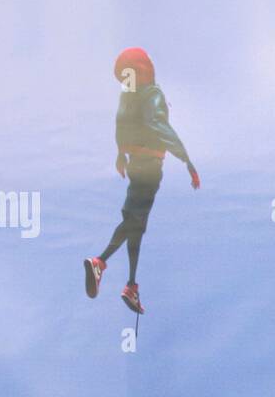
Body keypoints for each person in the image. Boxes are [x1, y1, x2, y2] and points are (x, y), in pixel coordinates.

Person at [83, 47, 200, 315]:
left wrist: (120, 154)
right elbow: (158, 124)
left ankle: (131, 285)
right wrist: (186, 159)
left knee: (136, 224)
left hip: (135, 163)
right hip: (149, 166)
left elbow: (121, 123)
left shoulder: (128, 98)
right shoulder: (152, 94)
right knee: (135, 222)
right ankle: (101, 262)